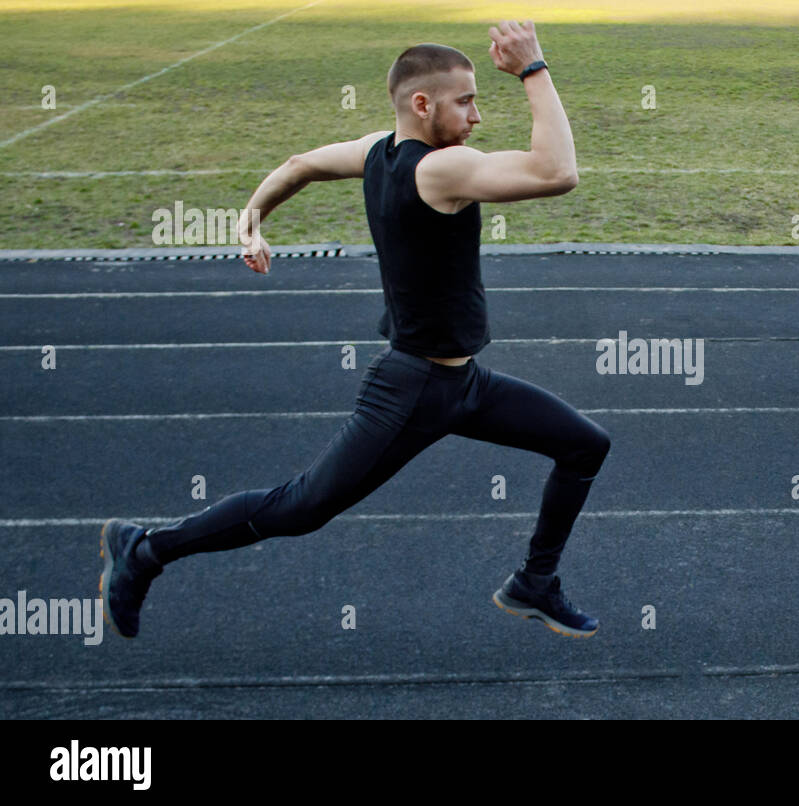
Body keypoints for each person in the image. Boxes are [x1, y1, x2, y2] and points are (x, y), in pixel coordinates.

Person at [99, 21, 610, 640]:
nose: (477, 116)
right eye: (467, 100)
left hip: (464, 384)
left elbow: (301, 164)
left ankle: (534, 582)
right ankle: (145, 551)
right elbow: (558, 172)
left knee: (584, 445)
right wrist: (533, 68)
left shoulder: (378, 150)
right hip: (415, 390)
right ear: (422, 105)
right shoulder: (441, 172)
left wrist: (251, 220)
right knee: (300, 506)